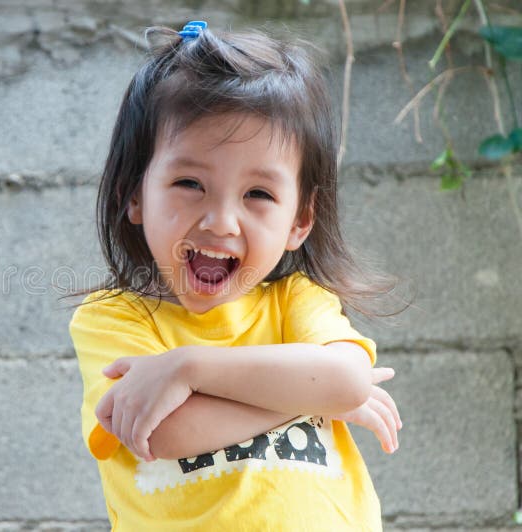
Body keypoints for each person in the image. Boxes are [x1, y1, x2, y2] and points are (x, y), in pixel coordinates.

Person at [69, 20, 404, 531]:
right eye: (189, 183)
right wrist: (308, 393)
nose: (221, 221)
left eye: (258, 194)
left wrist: (189, 370)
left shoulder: (297, 299)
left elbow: (347, 380)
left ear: (299, 220)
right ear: (134, 194)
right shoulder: (112, 318)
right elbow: (164, 432)